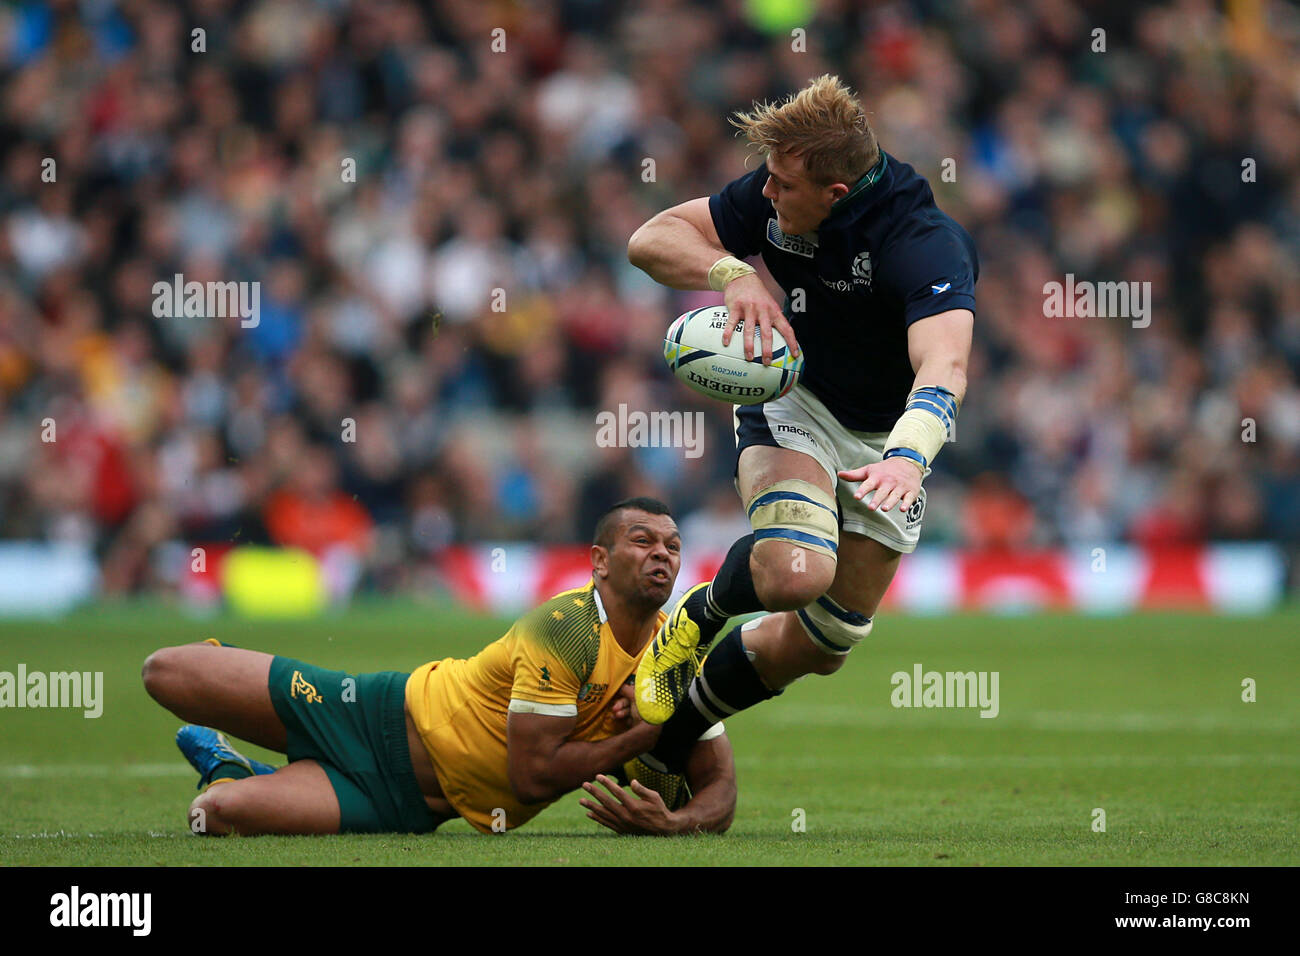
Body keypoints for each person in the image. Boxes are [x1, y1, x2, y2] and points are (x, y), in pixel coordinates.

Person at [625, 75, 977, 770]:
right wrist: (732, 273)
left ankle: (662, 748)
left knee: (821, 648)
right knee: (794, 573)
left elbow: (946, 367)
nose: (764, 193)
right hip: (799, 405)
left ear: (834, 194)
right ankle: (697, 616)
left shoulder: (923, 243)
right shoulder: (780, 191)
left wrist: (907, 459)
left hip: (890, 438)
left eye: (782, 186)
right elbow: (650, 239)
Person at [141, 497, 735, 836]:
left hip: (406, 807)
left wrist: (675, 824)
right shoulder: (566, 628)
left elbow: (721, 787)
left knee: (213, 816)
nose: (662, 553)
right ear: (600, 561)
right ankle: (240, 686)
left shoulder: (676, 651)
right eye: (643, 540)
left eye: (673, 545)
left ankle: (231, 767)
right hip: (374, 714)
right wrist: (644, 733)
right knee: (163, 672)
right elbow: (531, 778)